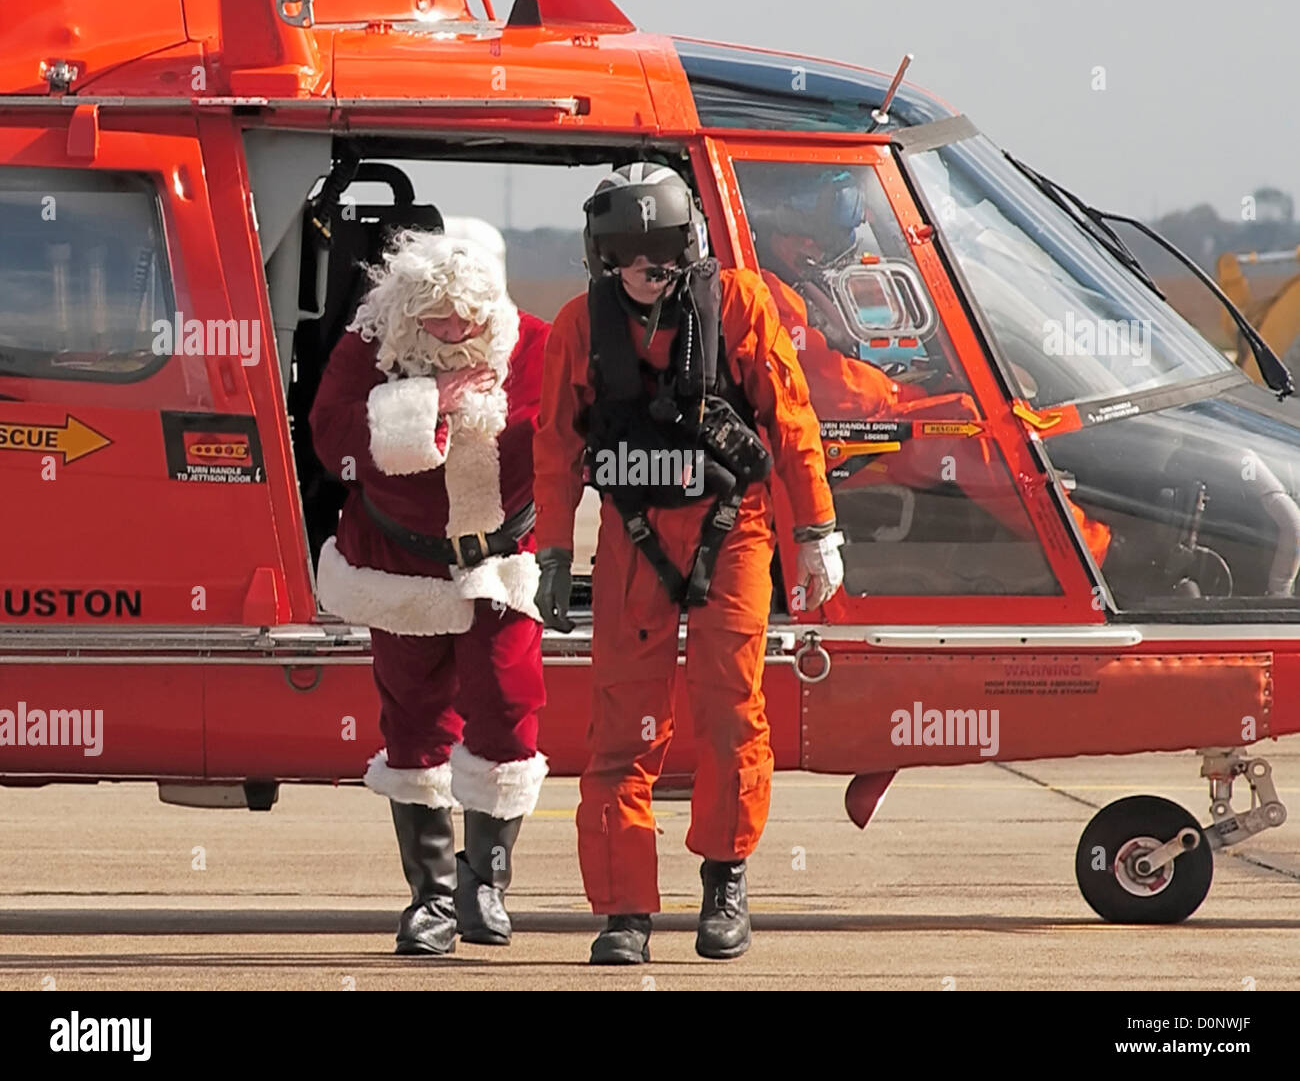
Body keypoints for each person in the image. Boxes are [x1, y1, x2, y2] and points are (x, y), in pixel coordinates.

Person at [532, 163, 845, 964]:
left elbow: (789, 418)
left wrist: (815, 534)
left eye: (663, 243)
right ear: (602, 254)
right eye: (629, 246)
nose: (647, 262)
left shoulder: (738, 304)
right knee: (618, 731)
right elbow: (558, 449)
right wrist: (552, 552)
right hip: (632, 543)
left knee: (731, 710)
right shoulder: (577, 326)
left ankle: (724, 878)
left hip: (731, 529)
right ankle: (624, 912)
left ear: (690, 242)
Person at [310, 229, 550, 954]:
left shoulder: (531, 342)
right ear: (408, 311)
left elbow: (560, 434)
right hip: (399, 564)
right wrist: (425, 403)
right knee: (412, 720)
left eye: (465, 320)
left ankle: (487, 886)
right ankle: (433, 899)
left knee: (509, 709)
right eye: (435, 320)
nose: (452, 332)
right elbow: (330, 436)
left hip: (497, 564)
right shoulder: (371, 344)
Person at [749, 167, 1112, 564]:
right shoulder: (769, 293)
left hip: (833, 437)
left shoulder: (800, 288)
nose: (829, 245)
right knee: (966, 424)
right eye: (818, 230)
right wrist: (912, 394)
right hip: (826, 449)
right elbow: (832, 393)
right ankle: (1087, 550)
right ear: (785, 229)